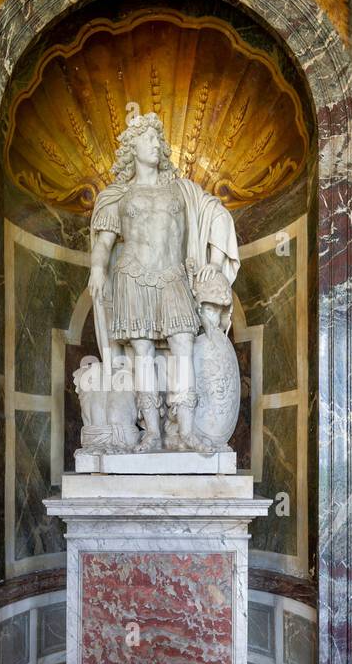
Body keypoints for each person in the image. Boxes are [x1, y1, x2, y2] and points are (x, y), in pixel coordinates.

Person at [88, 111, 240, 452]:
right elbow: (103, 244)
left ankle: (186, 431)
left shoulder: (182, 190)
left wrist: (214, 264)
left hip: (173, 276)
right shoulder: (118, 195)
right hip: (132, 276)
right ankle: (153, 433)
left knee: (183, 342)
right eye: (148, 139)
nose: (157, 145)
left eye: (158, 139)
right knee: (141, 352)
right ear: (132, 147)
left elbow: (215, 214)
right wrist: (98, 268)